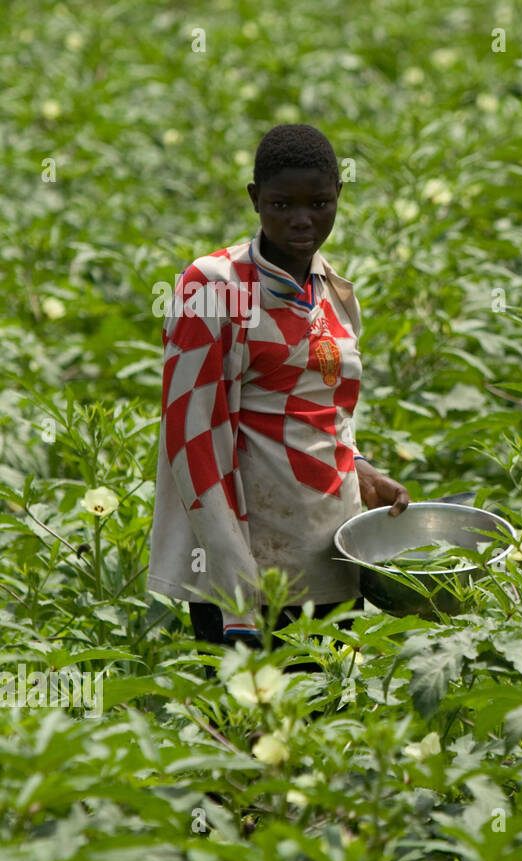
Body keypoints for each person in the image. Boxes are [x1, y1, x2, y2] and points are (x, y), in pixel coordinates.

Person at [146, 124, 410, 648]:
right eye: (281, 203)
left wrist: (359, 469)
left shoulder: (333, 291)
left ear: (339, 196)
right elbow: (190, 436)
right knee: (249, 724)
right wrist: (235, 577)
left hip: (330, 556)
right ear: (254, 200)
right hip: (248, 570)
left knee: (324, 721)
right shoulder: (214, 286)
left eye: (319, 202)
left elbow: (330, 414)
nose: (302, 220)